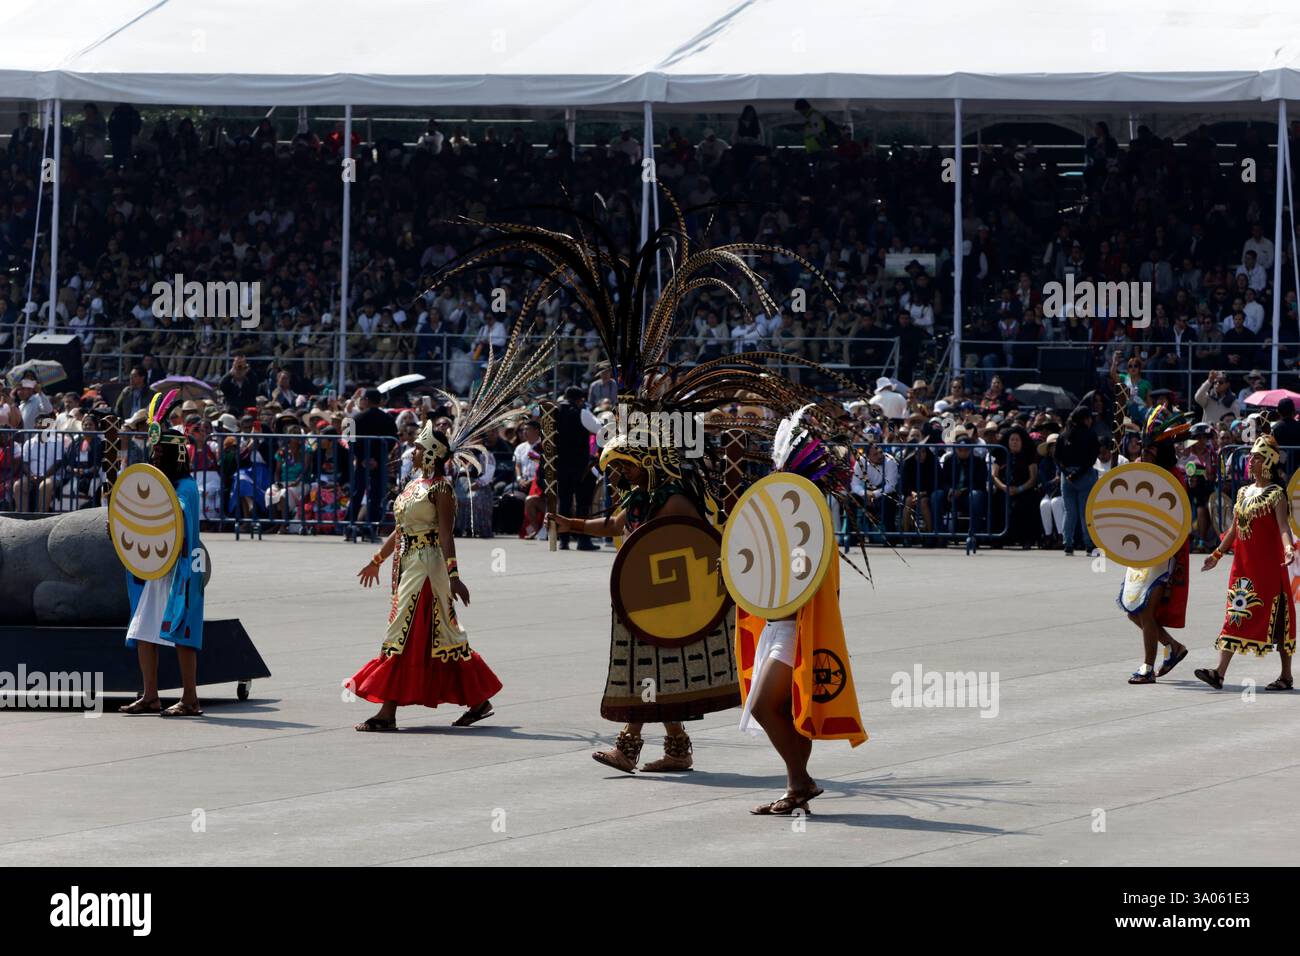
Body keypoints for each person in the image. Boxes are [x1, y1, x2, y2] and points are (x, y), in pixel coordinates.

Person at [736, 406, 868, 815]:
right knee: (791, 710)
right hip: (778, 624)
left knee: (765, 706)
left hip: (795, 627)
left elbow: (804, 577)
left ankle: (801, 782)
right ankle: (797, 788)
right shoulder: (786, 519)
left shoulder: (812, 521)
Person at [348, 422, 501, 730]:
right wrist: (376, 560)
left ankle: (387, 712)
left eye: (418, 447)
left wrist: (454, 576)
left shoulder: (441, 489)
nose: (413, 451)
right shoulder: (414, 485)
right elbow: (401, 529)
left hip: (429, 568)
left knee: (403, 634)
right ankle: (478, 700)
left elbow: (446, 536)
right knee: (440, 635)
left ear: (432, 452)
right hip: (410, 565)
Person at [115, 391, 206, 716]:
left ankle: (190, 698)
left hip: (181, 568)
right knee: (143, 631)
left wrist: (153, 500)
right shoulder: (163, 483)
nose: (153, 459)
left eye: (158, 453)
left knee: (183, 632)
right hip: (155, 568)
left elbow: (176, 515)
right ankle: (151, 695)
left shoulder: (186, 488)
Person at [1196, 436, 1297, 690]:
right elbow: (1233, 530)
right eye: (1251, 456)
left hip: (1269, 569)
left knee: (1279, 620)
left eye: (1256, 457)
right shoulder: (1242, 492)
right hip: (1243, 568)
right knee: (1235, 614)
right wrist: (1216, 555)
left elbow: (1284, 527)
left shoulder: (1276, 494)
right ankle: (1219, 673)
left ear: (1268, 462)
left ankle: (1286, 675)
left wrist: (1288, 550)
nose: (1250, 460)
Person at [1119, 406, 1195, 684]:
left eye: (1151, 448)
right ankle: (1173, 647)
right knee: (1132, 610)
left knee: (1146, 610)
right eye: (1143, 447)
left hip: (1164, 550)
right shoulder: (1138, 470)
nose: (1145, 451)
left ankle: (1147, 667)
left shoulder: (1175, 478)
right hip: (1140, 549)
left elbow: (1179, 517)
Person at [345, 388, 398, 541]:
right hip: (379, 461)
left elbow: (349, 440)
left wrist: (362, 458)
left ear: (366, 400)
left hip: (362, 462)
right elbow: (392, 440)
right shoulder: (388, 419)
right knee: (376, 496)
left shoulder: (355, 418)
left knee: (357, 493)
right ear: (380, 401)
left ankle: (350, 527)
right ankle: (370, 529)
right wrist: (377, 458)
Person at [1055, 405, 1100, 555]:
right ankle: (1089, 544)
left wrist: (1066, 473)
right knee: (1085, 512)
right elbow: (1091, 459)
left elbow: (1057, 457)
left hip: (1066, 477)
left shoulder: (1063, 435)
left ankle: (1067, 543)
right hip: (1084, 475)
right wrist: (1078, 474)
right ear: (1085, 419)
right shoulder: (1091, 435)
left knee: (1069, 512)